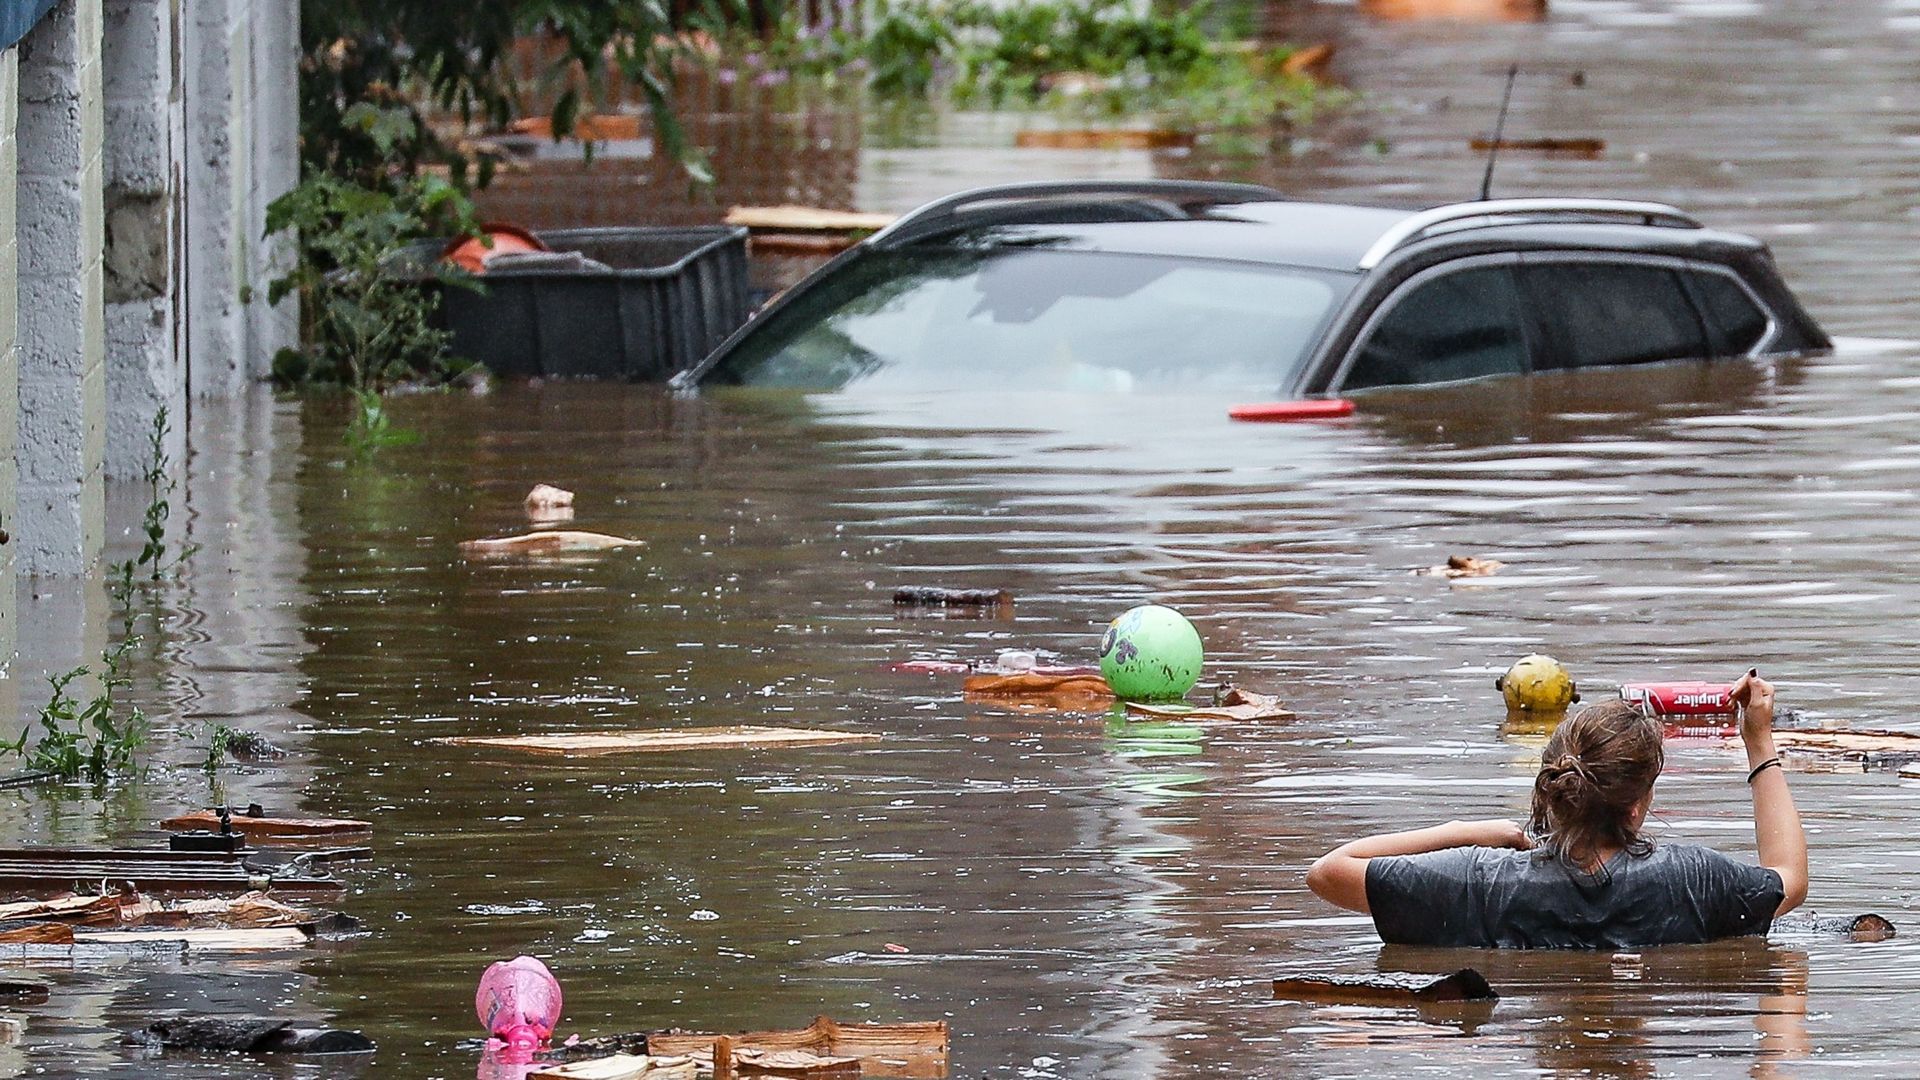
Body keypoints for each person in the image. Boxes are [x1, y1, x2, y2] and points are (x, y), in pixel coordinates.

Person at [1306, 672, 1807, 948]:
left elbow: (1329, 873)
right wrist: (1758, 741)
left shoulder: (1479, 879)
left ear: (1551, 788)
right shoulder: (1693, 880)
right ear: (1637, 806)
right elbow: (1789, 878)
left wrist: (1471, 831)